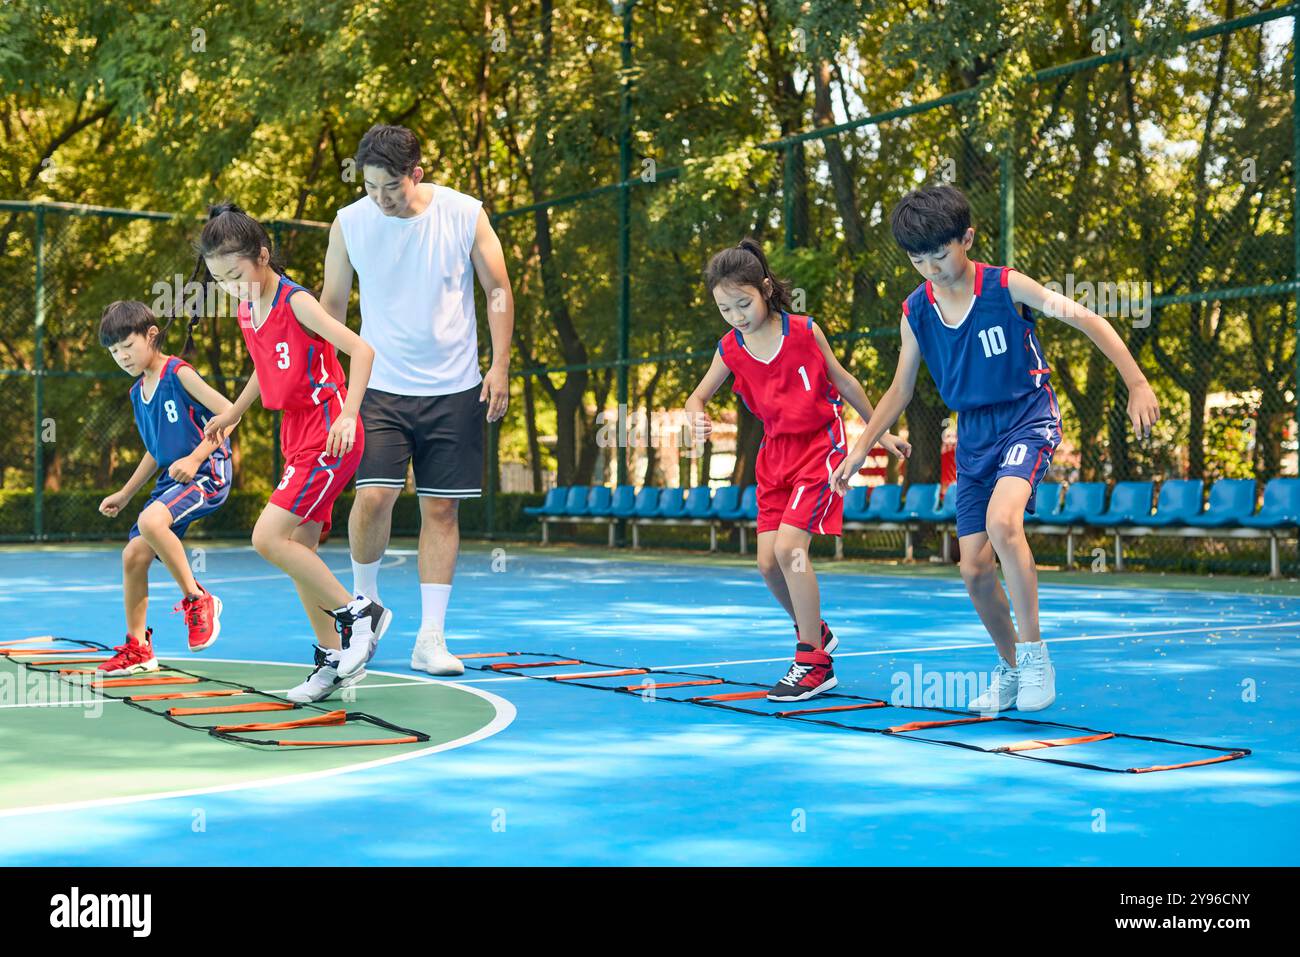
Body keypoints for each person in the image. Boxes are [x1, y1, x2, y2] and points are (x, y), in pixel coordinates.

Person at [831, 185, 1160, 712]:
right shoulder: (916, 310)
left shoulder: (1006, 286)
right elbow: (900, 389)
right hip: (974, 435)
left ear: (967, 238)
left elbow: (1087, 318)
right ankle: (1011, 668)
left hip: (1028, 416)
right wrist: (857, 448)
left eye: (940, 253)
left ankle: (1035, 658)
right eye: (919, 259)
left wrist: (1137, 383)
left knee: (1006, 523)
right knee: (973, 569)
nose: (932, 267)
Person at [320, 124, 514, 676]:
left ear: (416, 175)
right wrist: (335, 386)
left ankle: (430, 638)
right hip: (379, 387)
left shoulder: (463, 212)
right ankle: (363, 612)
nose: (379, 198)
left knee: (440, 510)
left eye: (390, 187)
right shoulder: (350, 222)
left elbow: (497, 289)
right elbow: (332, 306)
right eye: (370, 186)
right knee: (374, 498)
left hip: (455, 388)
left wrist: (499, 365)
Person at [686, 239, 910, 702]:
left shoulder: (805, 332)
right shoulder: (730, 348)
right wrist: (695, 412)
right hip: (774, 458)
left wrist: (880, 433)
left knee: (790, 549)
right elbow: (698, 395)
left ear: (766, 289)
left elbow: (844, 380)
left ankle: (813, 661)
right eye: (725, 309)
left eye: (743, 303)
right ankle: (816, 631)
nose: (736, 315)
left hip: (820, 449)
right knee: (767, 563)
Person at [198, 202, 390, 703]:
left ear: (262, 255)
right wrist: (234, 412)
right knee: (298, 551)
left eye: (236, 274)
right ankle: (331, 659)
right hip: (295, 433)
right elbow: (266, 371)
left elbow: (363, 351)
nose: (231, 286)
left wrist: (349, 413)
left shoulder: (296, 301)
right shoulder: (246, 309)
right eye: (219, 280)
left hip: (329, 430)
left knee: (267, 538)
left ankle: (362, 613)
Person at [96, 300, 233, 675]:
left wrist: (195, 457)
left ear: (151, 335)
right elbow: (155, 452)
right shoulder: (137, 393)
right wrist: (125, 493)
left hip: (208, 470)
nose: (122, 356)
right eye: (114, 351)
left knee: (151, 522)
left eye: (128, 346)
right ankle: (138, 648)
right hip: (173, 480)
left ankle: (198, 598)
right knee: (133, 556)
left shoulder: (178, 373)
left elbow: (230, 414)